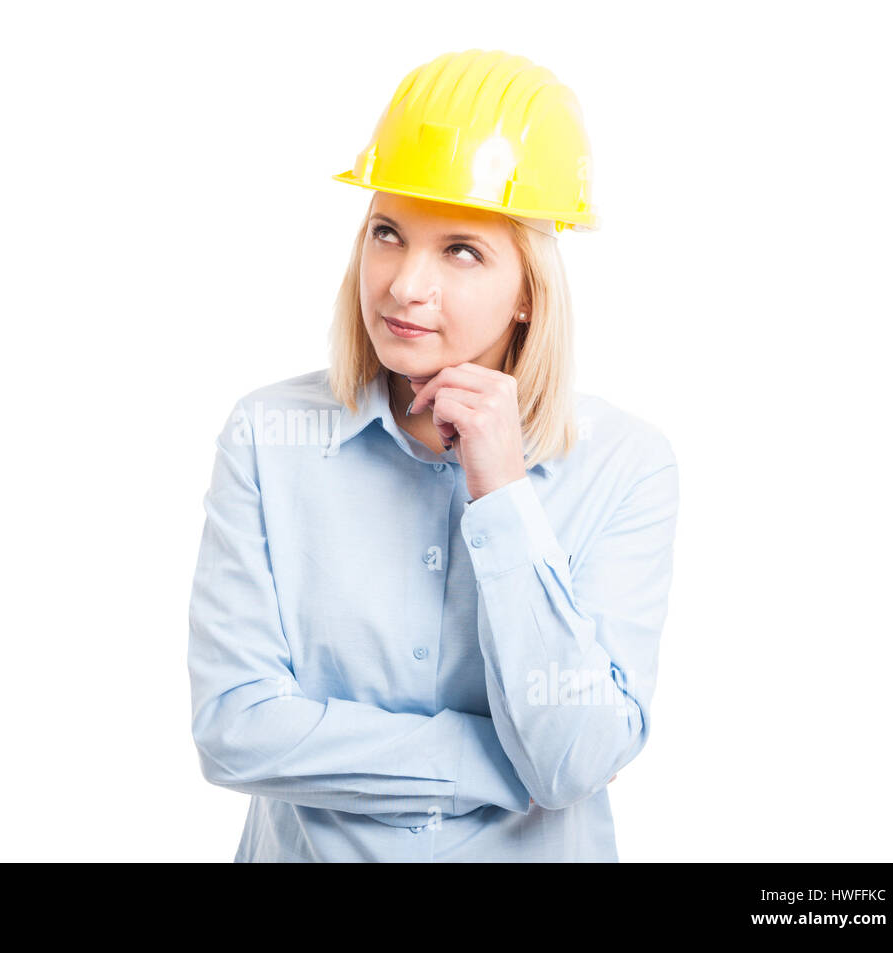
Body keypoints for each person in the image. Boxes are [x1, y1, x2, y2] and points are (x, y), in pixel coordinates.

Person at [186, 48, 680, 861]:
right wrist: (508, 766)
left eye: (461, 249)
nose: (404, 285)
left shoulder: (626, 465)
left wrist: (505, 491)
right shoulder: (268, 436)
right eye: (387, 233)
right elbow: (235, 729)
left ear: (529, 290)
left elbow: (580, 755)